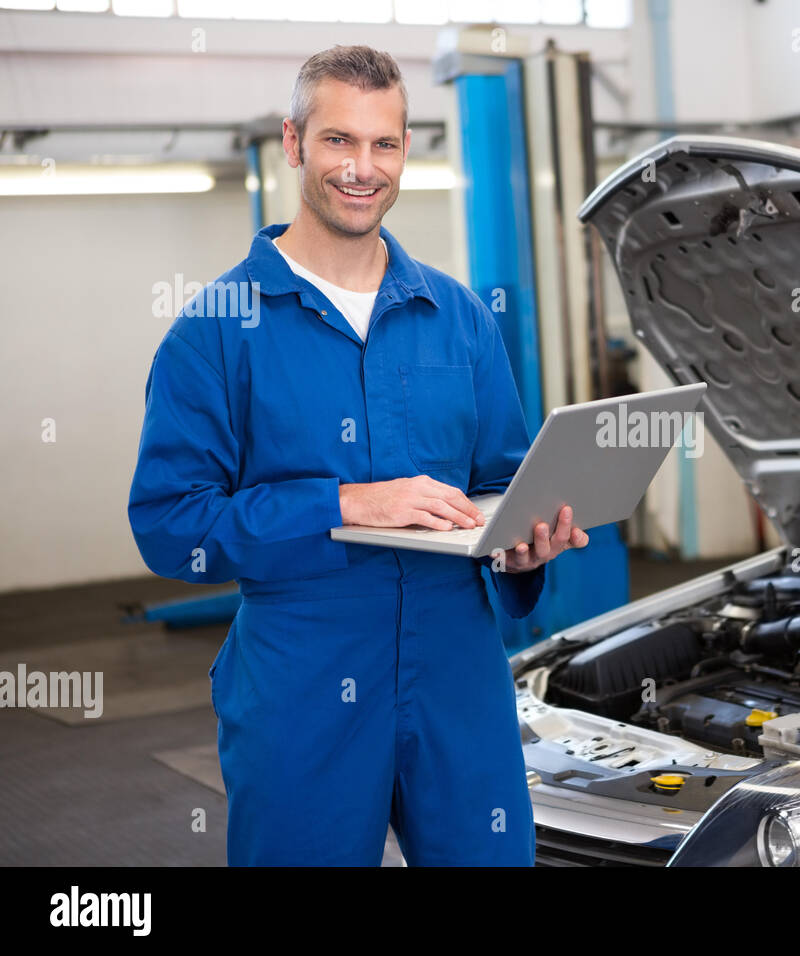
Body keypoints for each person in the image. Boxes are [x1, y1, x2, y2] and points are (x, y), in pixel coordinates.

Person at [128, 45, 586, 866]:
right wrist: (342, 504)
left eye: (384, 144)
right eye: (339, 140)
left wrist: (524, 542)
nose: (361, 168)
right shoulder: (215, 331)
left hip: (459, 676)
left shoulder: (457, 315)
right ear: (294, 142)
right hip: (304, 681)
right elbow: (170, 526)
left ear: (407, 148)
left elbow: (499, 479)